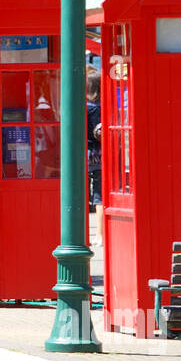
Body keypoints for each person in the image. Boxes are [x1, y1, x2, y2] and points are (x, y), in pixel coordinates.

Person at [85, 68, 104, 247]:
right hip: (103, 154)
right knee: (100, 196)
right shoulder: (106, 105)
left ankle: (82, 236)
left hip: (85, 154)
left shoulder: (84, 107)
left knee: (81, 195)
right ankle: (100, 235)